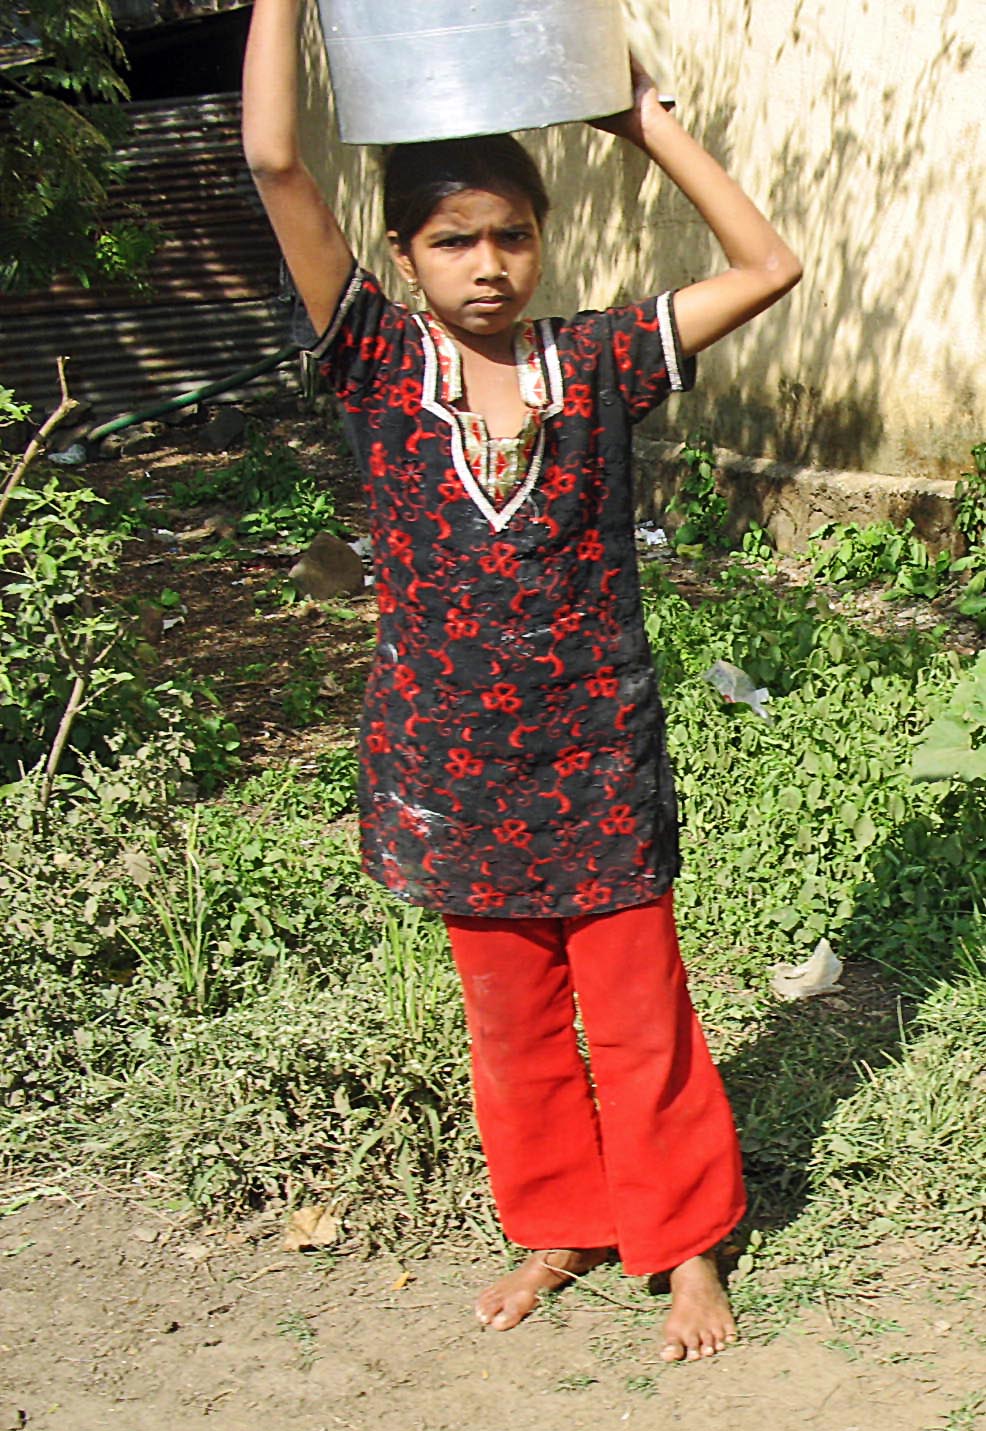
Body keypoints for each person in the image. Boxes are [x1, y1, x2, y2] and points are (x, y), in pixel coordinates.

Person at [243, 0, 801, 1363]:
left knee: (640, 1020)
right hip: (449, 775)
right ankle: (559, 1224)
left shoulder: (598, 362)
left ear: (539, 240)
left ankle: (682, 1251)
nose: (487, 264)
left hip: (595, 759)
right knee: (512, 1030)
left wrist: (639, 117)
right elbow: (273, 161)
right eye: (454, 239)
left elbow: (768, 263)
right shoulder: (377, 364)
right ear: (400, 255)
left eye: (510, 234)